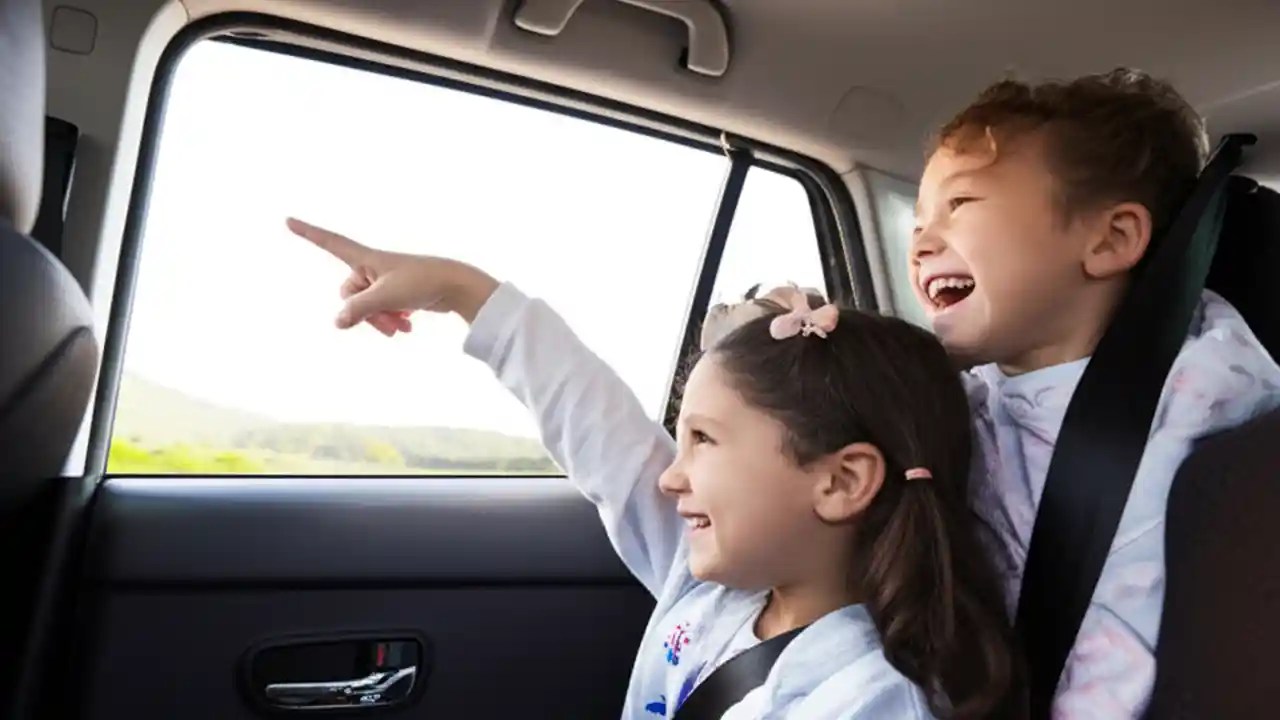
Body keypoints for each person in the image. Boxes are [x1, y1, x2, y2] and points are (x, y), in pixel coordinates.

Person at [285, 218, 1019, 718]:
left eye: (703, 440)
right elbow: (600, 431)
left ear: (840, 481)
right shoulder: (713, 592)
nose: (671, 476)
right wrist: (464, 291)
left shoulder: (868, 697)